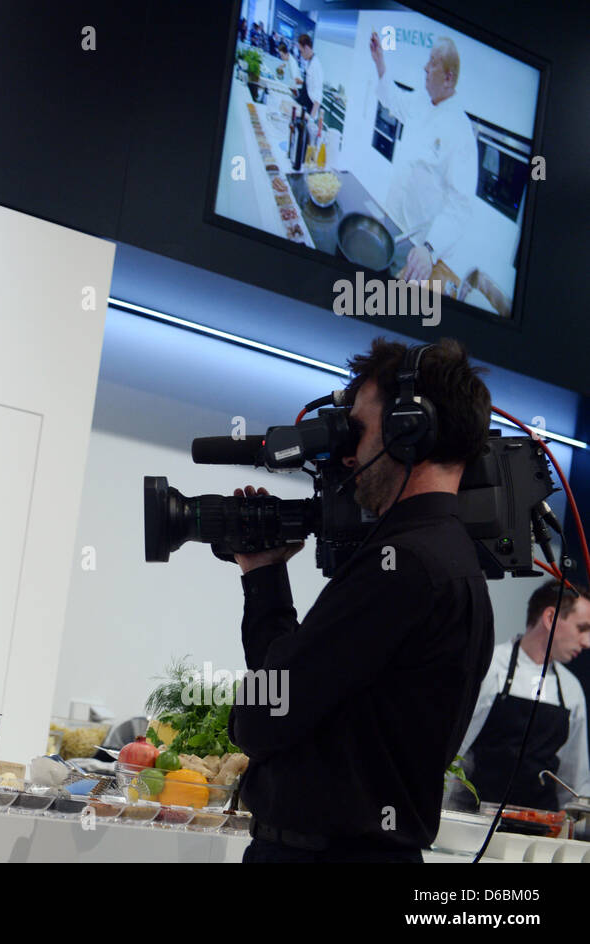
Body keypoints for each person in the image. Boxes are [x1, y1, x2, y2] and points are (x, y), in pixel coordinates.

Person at [228, 338, 494, 862]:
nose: (348, 453)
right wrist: (264, 574)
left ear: (409, 431)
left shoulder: (402, 566)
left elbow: (264, 717)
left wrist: (263, 585)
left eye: (360, 428)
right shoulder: (448, 559)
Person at [455, 581, 590, 809]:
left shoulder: (571, 688)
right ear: (550, 618)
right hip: (475, 818)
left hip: (540, 825)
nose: (587, 642)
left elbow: (574, 778)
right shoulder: (490, 667)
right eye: (582, 628)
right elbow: (455, 751)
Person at [368, 32, 478, 282]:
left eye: (432, 62)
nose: (425, 67)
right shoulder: (421, 100)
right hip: (392, 217)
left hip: (419, 246)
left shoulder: (461, 132)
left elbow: (460, 207)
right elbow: (393, 100)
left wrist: (429, 248)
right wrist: (379, 63)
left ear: (448, 78)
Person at [295, 34, 323, 141]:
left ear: (307, 48)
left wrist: (311, 120)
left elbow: (318, 96)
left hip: (308, 112)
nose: (301, 55)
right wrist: (302, 82)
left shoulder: (316, 66)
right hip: (303, 108)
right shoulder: (310, 62)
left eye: (301, 51)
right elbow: (311, 86)